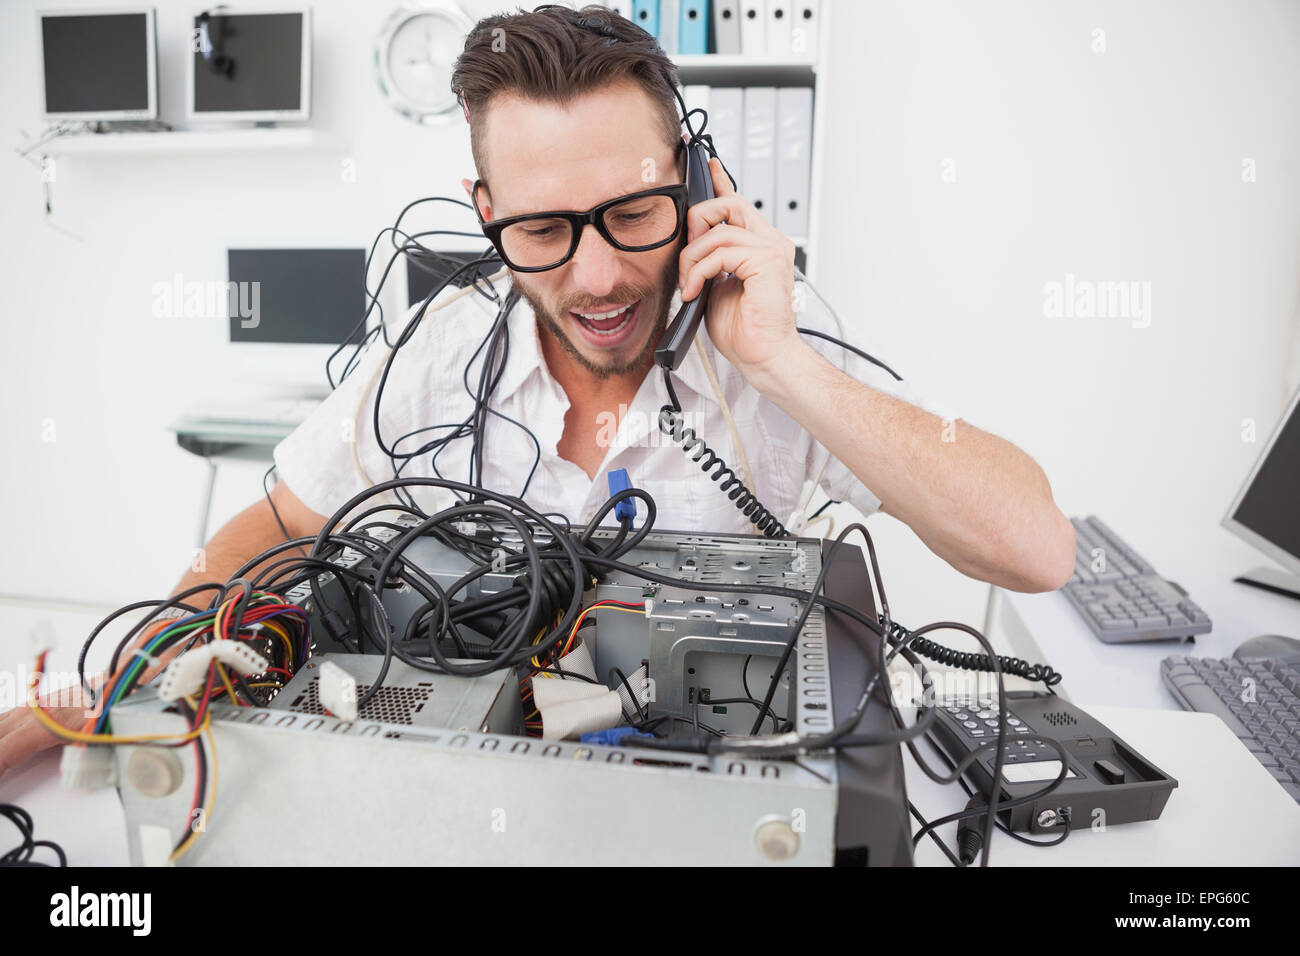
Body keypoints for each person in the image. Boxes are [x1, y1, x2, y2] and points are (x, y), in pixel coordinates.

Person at [0, 4, 1074, 780]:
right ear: (484, 213)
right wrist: (115, 682)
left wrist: (781, 364)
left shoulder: (767, 340)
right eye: (544, 229)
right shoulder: (437, 348)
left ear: (698, 184)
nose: (598, 276)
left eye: (633, 213)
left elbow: (1033, 548)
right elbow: (270, 528)